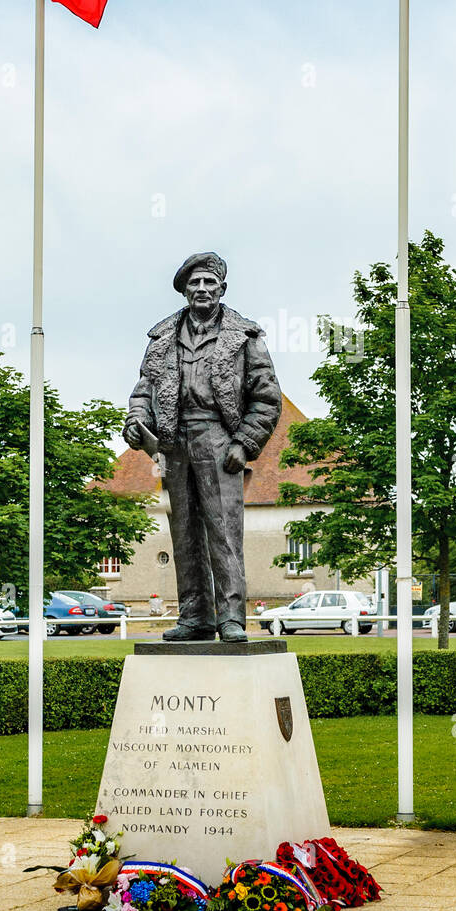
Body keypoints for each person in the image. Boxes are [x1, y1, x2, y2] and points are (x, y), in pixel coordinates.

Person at [123, 252, 281, 642]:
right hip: (174, 441)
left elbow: (267, 397)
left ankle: (230, 617)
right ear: (184, 291)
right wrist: (135, 419)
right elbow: (145, 388)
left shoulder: (244, 336)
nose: (202, 289)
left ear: (222, 289)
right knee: (185, 534)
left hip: (218, 437)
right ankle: (196, 616)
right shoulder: (162, 338)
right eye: (194, 283)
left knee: (223, 531)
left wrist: (244, 442)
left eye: (209, 282)